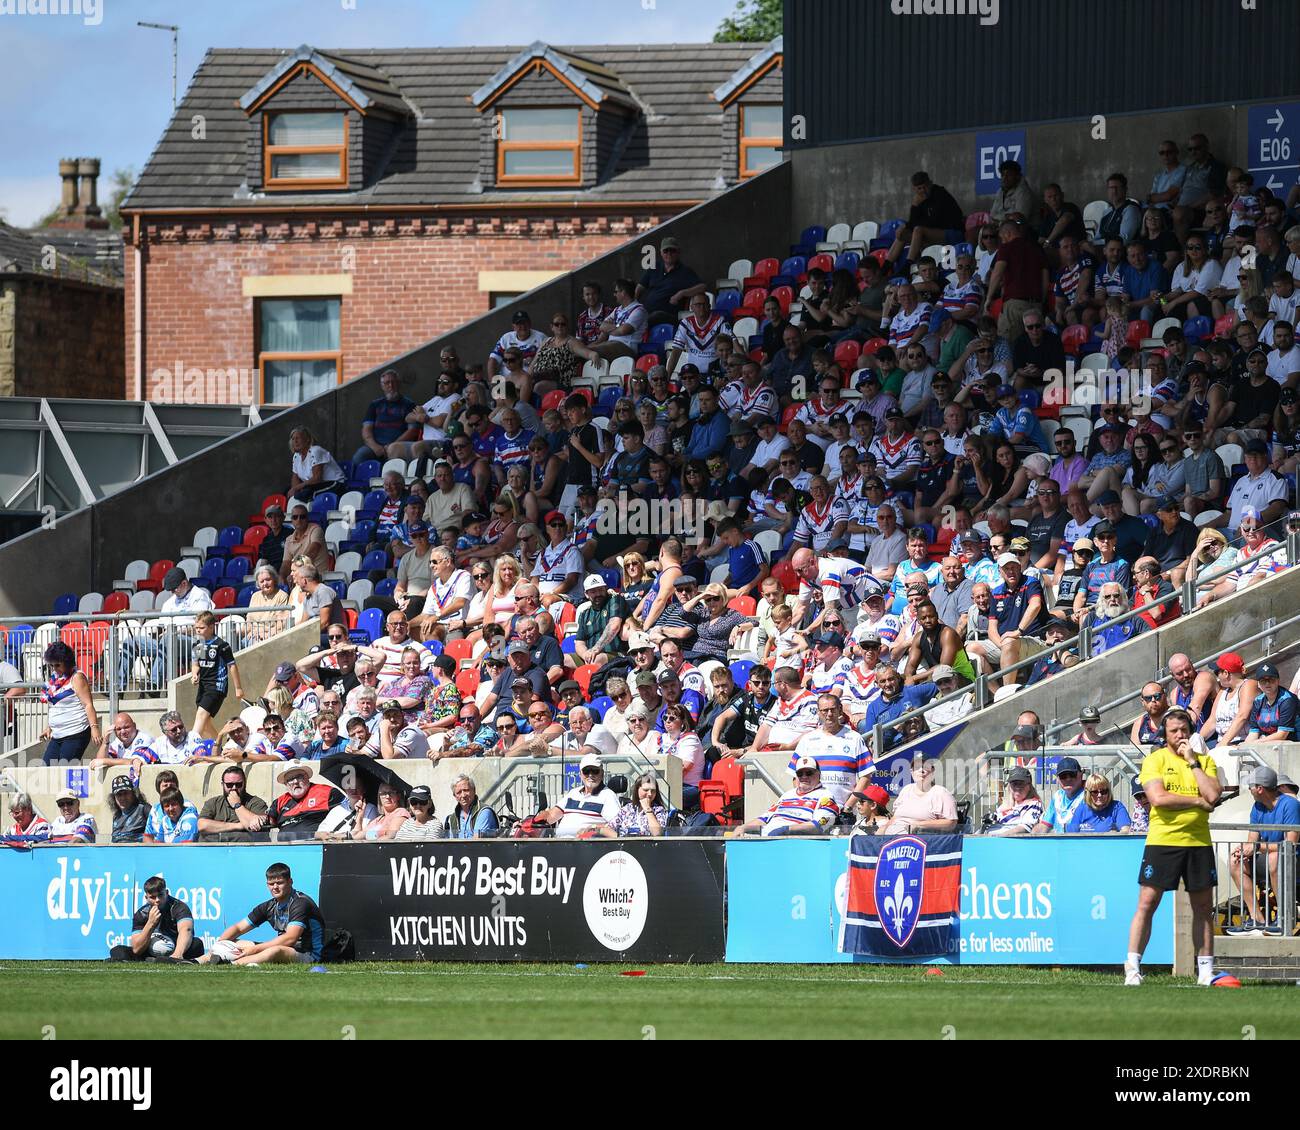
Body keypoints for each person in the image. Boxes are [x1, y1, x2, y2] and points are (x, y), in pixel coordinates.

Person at [1125, 709, 1223, 987]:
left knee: (1203, 907)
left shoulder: (1204, 761)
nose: (1179, 735)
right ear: (1165, 735)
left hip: (1198, 842)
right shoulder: (1155, 760)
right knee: (1147, 902)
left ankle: (1205, 971)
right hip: (1163, 841)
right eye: (1173, 731)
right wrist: (1195, 801)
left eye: (1184, 730)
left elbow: (1213, 795)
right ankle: (1132, 967)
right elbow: (1158, 798)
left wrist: (1192, 763)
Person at [197, 862, 326, 966]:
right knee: (231, 942)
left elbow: (290, 938)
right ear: (267, 885)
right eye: (271, 884)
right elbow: (238, 928)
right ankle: (196, 961)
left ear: (290, 882)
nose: (275, 887)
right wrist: (221, 944)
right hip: (287, 948)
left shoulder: (300, 903)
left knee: (275, 950)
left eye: (280, 883)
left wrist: (254, 950)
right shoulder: (269, 906)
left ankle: (231, 964)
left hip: (309, 954)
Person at [1227, 766, 1300, 934]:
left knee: (1275, 858)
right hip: (1269, 858)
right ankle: (1257, 920)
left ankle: (1284, 918)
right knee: (1236, 861)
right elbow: (1252, 841)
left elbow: (1290, 843)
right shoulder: (1257, 806)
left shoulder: (1291, 805)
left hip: (1293, 860)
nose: (1249, 789)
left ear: (1259, 789)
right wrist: (1244, 850)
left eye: (1250, 786)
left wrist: (1258, 847)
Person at [728, 756, 840, 837]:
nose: (804, 777)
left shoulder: (825, 796)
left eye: (809, 773)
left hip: (794, 843)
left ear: (818, 775)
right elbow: (765, 818)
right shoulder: (788, 795)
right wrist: (743, 827)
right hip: (768, 839)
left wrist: (787, 830)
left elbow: (819, 825)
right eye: (800, 774)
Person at [109, 876, 204, 962]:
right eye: (153, 897)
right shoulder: (141, 914)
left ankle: (169, 960)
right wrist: (151, 923)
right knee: (118, 950)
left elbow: (186, 930)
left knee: (197, 944)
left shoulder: (179, 907)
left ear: (166, 893)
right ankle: (152, 960)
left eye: (161, 895)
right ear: (146, 897)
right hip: (149, 951)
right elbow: (136, 949)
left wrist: (177, 955)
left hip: (177, 949)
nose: (157, 900)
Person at [38, 640, 101, 764]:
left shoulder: (77, 677)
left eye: (57, 665)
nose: (54, 669)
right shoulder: (55, 679)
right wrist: (50, 726)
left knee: (64, 770)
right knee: (45, 770)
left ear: (66, 662)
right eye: (52, 665)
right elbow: (56, 705)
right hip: (57, 735)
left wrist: (94, 728)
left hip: (75, 732)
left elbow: (88, 704)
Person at [536, 753, 621, 838]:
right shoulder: (573, 793)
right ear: (580, 774)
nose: (590, 775)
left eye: (595, 771)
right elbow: (551, 815)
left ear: (602, 773)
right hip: (560, 843)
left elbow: (617, 826)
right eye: (586, 771)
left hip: (587, 846)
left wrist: (593, 829)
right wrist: (538, 819)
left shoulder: (608, 795)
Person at [189, 611, 244, 741]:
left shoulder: (221, 645)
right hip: (203, 686)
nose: (198, 631)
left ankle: (191, 744)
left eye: (201, 628)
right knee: (206, 724)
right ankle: (220, 746)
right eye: (196, 628)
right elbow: (196, 664)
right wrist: (194, 675)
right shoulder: (198, 644)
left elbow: (232, 666)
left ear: (212, 627)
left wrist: (238, 688)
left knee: (201, 714)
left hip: (216, 686)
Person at [353, 368, 418, 464]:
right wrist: (375, 447)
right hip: (375, 446)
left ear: (398, 384)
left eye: (393, 382)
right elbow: (366, 430)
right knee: (359, 456)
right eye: (387, 383)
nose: (391, 386)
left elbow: (413, 431)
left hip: (398, 446)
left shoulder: (409, 405)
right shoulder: (375, 405)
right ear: (382, 386)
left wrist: (393, 446)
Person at [198, 764, 270, 843]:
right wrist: (239, 826)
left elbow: (256, 826)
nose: (234, 788)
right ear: (223, 785)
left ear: (244, 783)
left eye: (238, 784)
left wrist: (237, 805)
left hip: (246, 850)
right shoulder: (213, 803)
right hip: (216, 850)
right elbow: (202, 825)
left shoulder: (256, 803)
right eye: (229, 785)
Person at [268, 761, 338, 841]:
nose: (295, 782)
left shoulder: (327, 793)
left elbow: (347, 813)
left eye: (299, 777)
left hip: (317, 846)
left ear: (307, 778)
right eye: (290, 779)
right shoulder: (279, 802)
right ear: (285, 784)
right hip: (285, 849)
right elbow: (268, 822)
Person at [591, 773, 671, 838]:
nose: (650, 794)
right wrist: (593, 828)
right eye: (646, 790)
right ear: (637, 790)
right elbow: (610, 827)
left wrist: (648, 809)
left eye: (653, 791)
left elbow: (657, 834)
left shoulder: (659, 810)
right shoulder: (627, 809)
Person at [1242, 662, 1298, 745]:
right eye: (1263, 681)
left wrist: (1256, 743)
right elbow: (1254, 732)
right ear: (1258, 684)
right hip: (1267, 742)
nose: (1267, 683)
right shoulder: (1258, 701)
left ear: (1278, 681)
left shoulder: (1287, 700)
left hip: (1292, 743)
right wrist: (1245, 745)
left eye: (1271, 679)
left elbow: (1282, 735)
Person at [286, 425, 345, 501]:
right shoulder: (296, 456)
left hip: (335, 484)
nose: (295, 441)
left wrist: (297, 488)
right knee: (287, 493)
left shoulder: (315, 451)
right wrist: (295, 489)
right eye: (293, 439)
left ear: (307, 439)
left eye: (298, 438)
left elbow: (317, 478)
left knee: (306, 494)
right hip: (314, 485)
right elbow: (295, 477)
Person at [985, 766, 1044, 835]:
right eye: (1014, 783)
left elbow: (1024, 828)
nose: (1017, 787)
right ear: (1009, 786)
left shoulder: (1034, 804)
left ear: (1029, 786)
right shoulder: (1004, 806)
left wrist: (999, 837)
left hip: (1011, 841)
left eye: (1021, 784)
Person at [1064, 774, 1132, 832]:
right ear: (1088, 793)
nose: (1099, 795)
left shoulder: (1117, 807)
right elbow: (1072, 835)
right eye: (1095, 792)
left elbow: (1125, 831)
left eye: (1103, 792)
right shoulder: (1081, 809)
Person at [444, 774, 499, 839]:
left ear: (474, 790)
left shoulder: (484, 812)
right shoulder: (452, 818)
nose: (463, 795)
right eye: (459, 792)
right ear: (455, 796)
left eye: (466, 790)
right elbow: (451, 844)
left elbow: (475, 842)